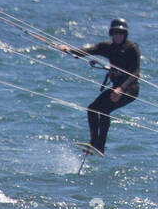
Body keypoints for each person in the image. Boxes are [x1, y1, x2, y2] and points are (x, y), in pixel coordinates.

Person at [57, 18, 140, 155]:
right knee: (92, 109)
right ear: (111, 34)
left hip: (130, 89)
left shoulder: (132, 48)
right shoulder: (107, 47)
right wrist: (68, 50)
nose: (118, 36)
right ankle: (94, 143)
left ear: (125, 34)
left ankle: (100, 145)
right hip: (117, 88)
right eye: (115, 33)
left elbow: (136, 73)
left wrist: (121, 89)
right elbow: (88, 51)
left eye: (121, 33)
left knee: (104, 110)